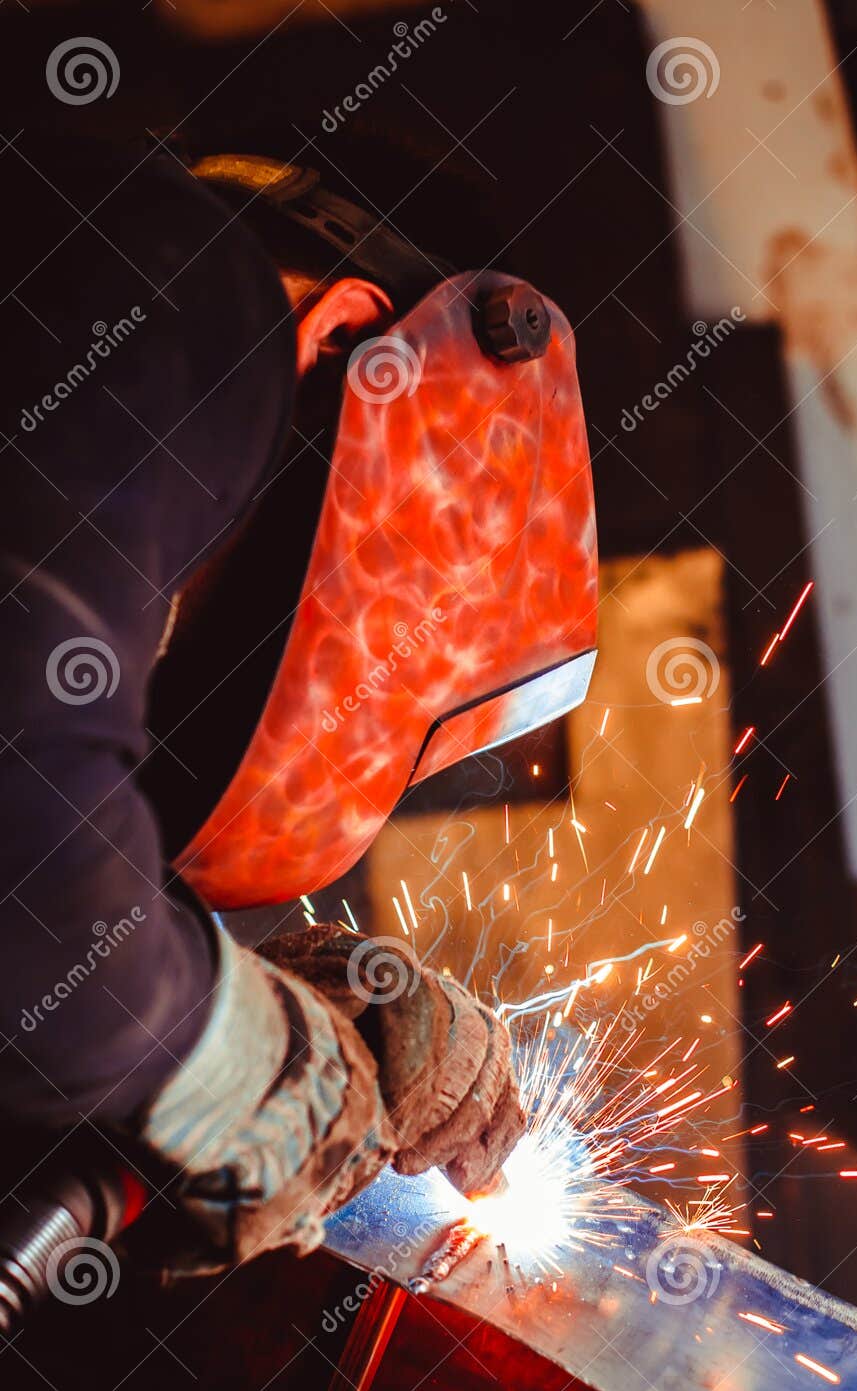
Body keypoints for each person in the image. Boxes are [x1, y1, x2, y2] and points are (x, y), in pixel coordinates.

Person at [0, 140, 597, 1276]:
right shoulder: (163, 281)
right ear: (339, 340)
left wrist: (239, 1008)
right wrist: (238, 1061)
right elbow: (27, 861)